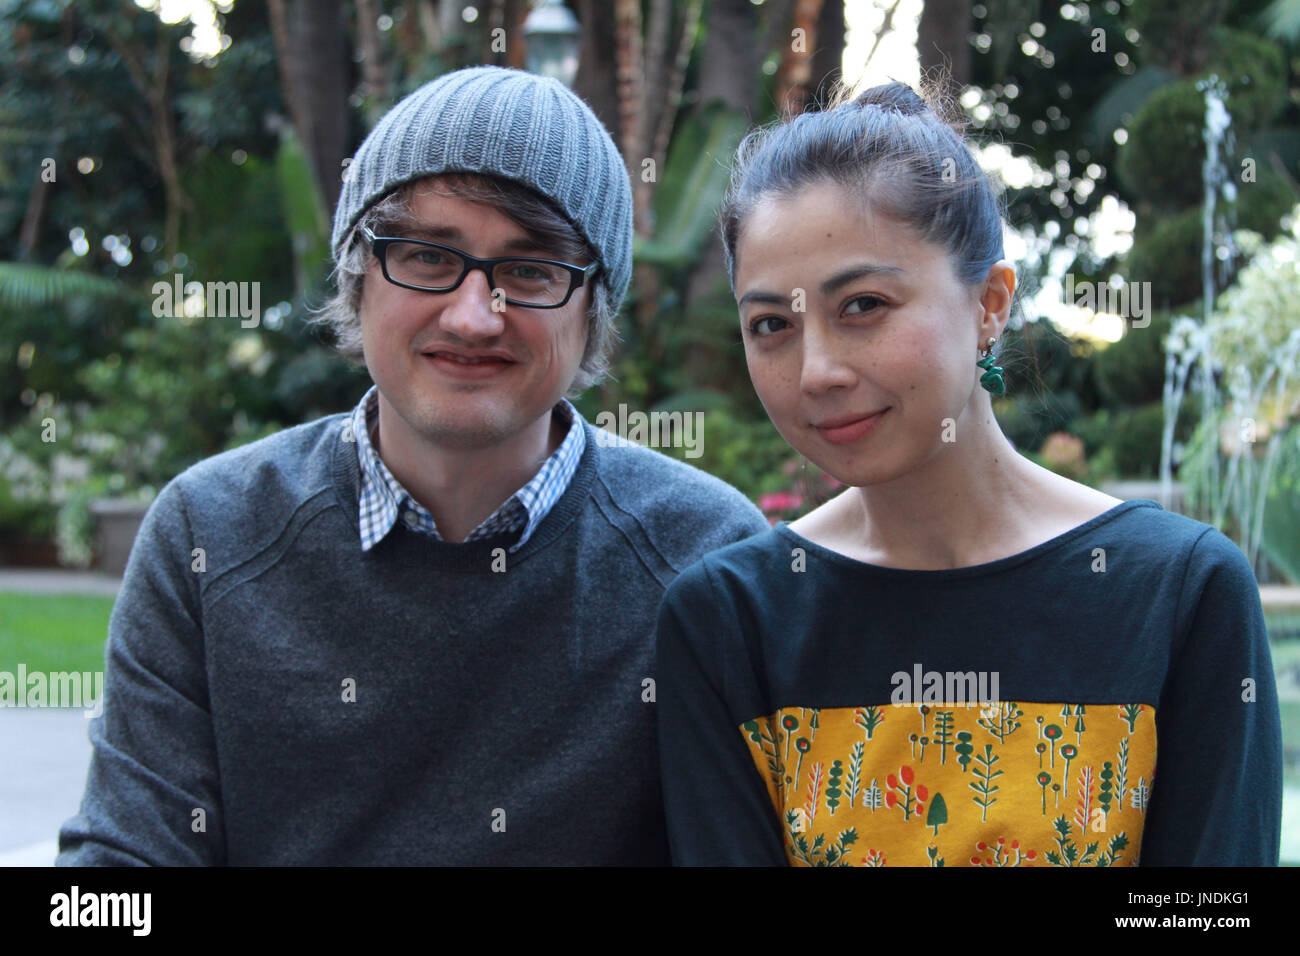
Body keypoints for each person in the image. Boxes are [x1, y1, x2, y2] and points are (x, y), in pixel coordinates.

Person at [57, 65, 769, 866]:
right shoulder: (210, 534)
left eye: (530, 270)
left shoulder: (706, 557)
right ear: (358, 278)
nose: (472, 315)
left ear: (592, 310)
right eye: (428, 256)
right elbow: (118, 871)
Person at [654, 80, 1283, 867]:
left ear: (990, 304)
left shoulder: (1178, 594)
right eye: (771, 325)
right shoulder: (730, 621)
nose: (816, 371)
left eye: (864, 306)